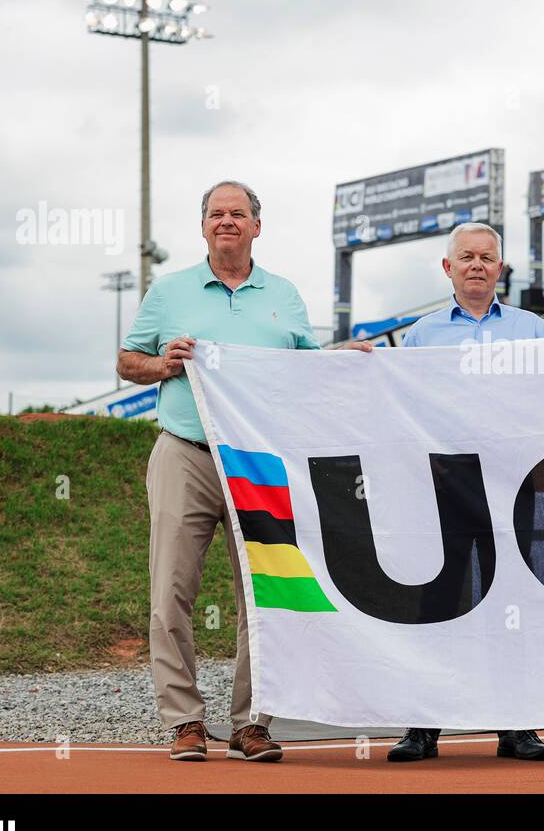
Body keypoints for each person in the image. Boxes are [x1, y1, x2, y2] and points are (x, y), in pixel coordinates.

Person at [118, 180, 372, 763]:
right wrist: (163, 364)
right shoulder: (170, 291)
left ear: (257, 226)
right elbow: (126, 361)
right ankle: (184, 721)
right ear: (202, 226)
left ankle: (250, 723)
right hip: (186, 453)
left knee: (264, 597)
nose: (226, 221)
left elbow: (304, 368)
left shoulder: (282, 294)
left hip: (258, 462)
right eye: (215, 214)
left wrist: (341, 362)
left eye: (237, 214)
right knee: (170, 593)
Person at [389, 221, 544, 764]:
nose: (478, 265)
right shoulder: (421, 335)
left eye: (487, 257)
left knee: (513, 603)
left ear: (500, 268)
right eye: (467, 257)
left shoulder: (534, 331)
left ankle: (516, 725)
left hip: (517, 483)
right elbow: (396, 404)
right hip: (447, 483)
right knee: (438, 602)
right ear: (448, 267)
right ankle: (423, 727)